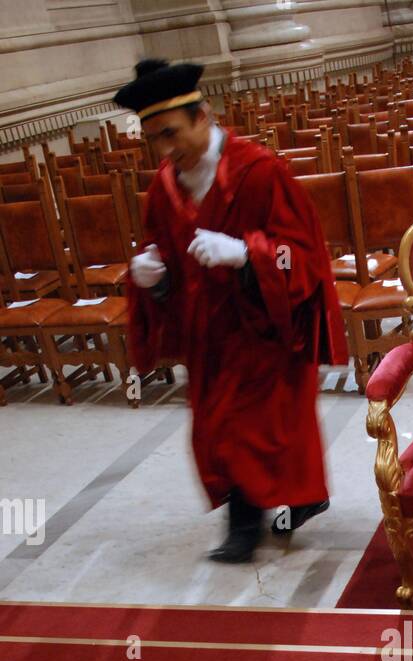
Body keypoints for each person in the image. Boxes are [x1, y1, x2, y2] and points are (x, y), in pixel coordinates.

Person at [115, 59, 347, 563]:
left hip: (263, 329)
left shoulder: (260, 173)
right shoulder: (163, 188)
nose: (165, 149)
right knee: (218, 429)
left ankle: (244, 527)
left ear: (203, 116)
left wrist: (248, 255)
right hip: (208, 338)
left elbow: (303, 255)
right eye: (154, 139)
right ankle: (291, 501)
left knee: (260, 428)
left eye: (171, 133)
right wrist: (151, 276)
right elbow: (163, 253)